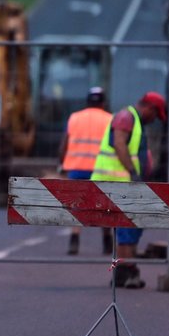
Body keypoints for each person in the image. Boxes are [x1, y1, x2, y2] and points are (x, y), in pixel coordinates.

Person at [90, 91, 167, 289]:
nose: (154, 119)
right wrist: (132, 171)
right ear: (149, 108)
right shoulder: (126, 117)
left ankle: (125, 271)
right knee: (126, 230)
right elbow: (119, 143)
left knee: (129, 229)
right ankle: (127, 271)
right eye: (155, 114)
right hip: (117, 182)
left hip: (123, 184)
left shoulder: (134, 121)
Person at [56, 86, 113, 255]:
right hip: (101, 169)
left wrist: (61, 163)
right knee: (103, 205)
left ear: (87, 101)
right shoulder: (110, 119)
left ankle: (74, 239)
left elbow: (64, 144)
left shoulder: (75, 118)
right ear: (103, 102)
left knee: (77, 205)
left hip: (76, 167)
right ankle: (107, 240)